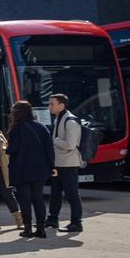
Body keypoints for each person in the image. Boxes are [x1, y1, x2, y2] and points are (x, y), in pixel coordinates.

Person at [5, 101, 55, 239]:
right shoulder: (41, 127)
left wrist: (6, 147)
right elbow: (49, 149)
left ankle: (27, 228)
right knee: (38, 198)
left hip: (22, 169)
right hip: (40, 169)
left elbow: (12, 149)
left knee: (25, 199)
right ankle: (41, 229)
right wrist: (52, 167)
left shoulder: (16, 128)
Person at [47, 94, 84, 233]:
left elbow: (70, 144)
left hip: (68, 164)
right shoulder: (58, 118)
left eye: (52, 104)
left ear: (61, 105)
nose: (49, 106)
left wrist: (55, 140)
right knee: (55, 193)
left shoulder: (70, 121)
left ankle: (76, 223)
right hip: (59, 163)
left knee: (72, 194)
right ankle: (52, 219)